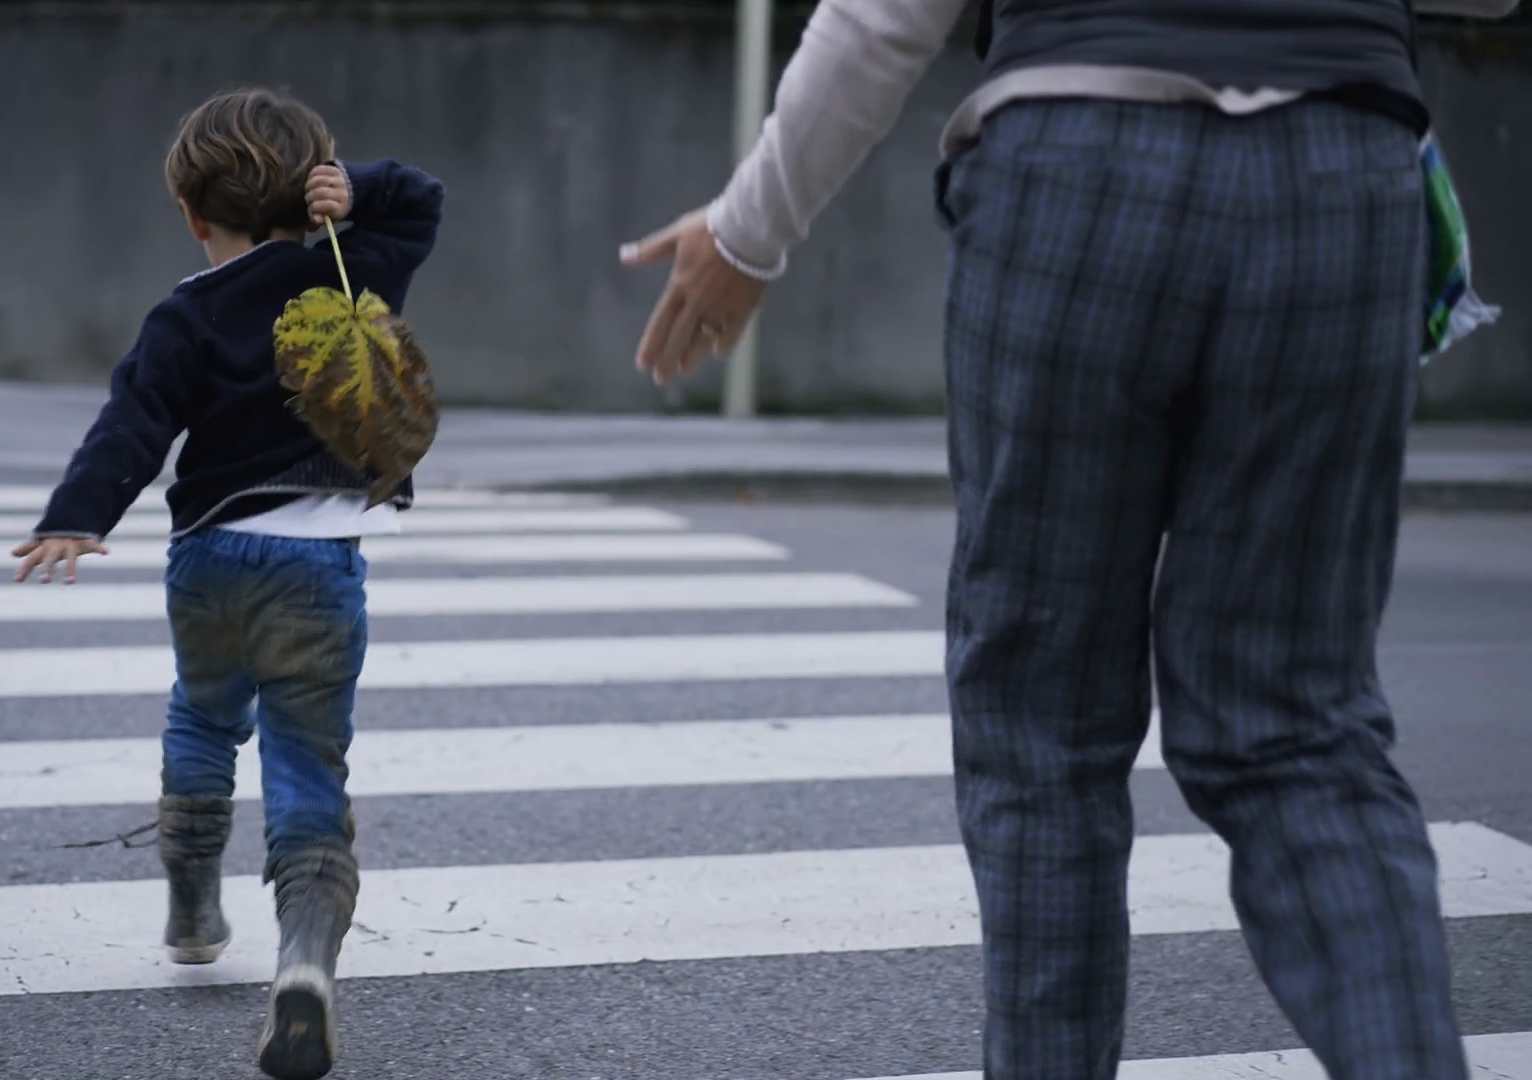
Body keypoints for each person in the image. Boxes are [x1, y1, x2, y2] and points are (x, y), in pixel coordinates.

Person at [621, 0, 1517, 1076]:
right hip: (1341, 170)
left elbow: (884, 15)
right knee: (1298, 733)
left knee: (1043, 731)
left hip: (1078, 160)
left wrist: (747, 231)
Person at [10, 87, 444, 1080]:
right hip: (321, 567)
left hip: (209, 559)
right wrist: (360, 188)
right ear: (314, 192)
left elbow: (134, 424)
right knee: (306, 758)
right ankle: (301, 964)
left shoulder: (188, 310)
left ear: (194, 215)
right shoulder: (359, 267)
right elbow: (421, 197)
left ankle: (194, 908)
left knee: (203, 721)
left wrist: (78, 516)